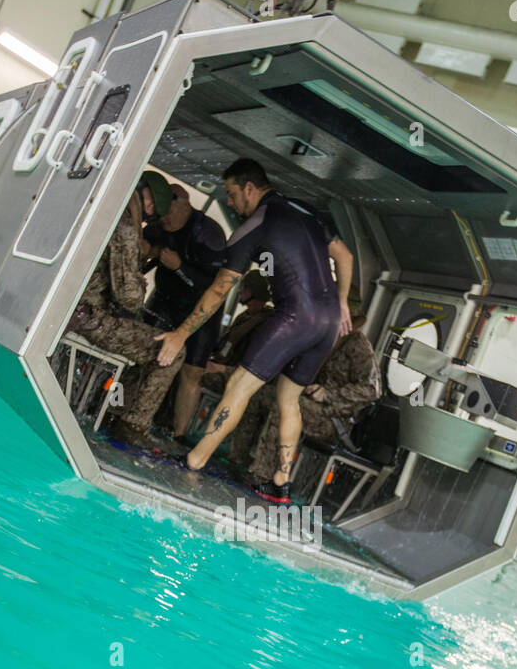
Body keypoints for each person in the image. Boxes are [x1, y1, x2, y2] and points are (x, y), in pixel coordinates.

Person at [152, 158, 354, 502]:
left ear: (250, 188)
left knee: (238, 386)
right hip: (329, 322)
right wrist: (344, 302)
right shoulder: (302, 209)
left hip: (295, 317)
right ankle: (281, 484)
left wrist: (181, 334)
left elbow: (219, 290)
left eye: (231, 194)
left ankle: (195, 459)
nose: (230, 203)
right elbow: (345, 256)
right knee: (289, 399)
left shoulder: (256, 224)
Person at [64, 180, 184, 442]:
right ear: (148, 204)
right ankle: (130, 425)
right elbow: (129, 299)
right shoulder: (126, 227)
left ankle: (111, 410)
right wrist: (140, 285)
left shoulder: (100, 208)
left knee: (139, 342)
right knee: (170, 351)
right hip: (87, 317)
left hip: (64, 308)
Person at [229, 293, 380, 489]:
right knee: (259, 395)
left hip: (332, 418)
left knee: (285, 409)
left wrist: (327, 394)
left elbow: (371, 390)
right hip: (307, 403)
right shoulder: (320, 336)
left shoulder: (357, 344)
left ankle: (262, 477)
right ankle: (237, 460)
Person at [141, 182, 227, 439]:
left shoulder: (208, 233)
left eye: (169, 211)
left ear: (185, 205)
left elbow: (216, 288)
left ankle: (178, 434)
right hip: (165, 300)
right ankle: (133, 411)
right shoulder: (157, 226)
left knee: (192, 372)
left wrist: (179, 267)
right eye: (161, 211)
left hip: (200, 310)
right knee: (146, 352)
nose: (164, 217)